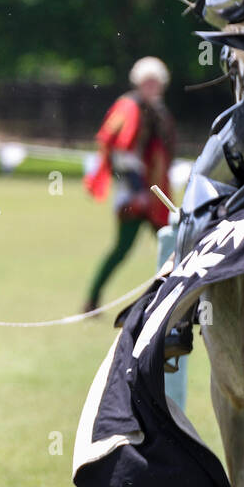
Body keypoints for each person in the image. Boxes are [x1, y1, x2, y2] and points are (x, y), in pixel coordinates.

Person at [82, 56, 176, 312]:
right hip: (133, 195)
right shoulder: (130, 107)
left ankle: (173, 304)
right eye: (147, 82)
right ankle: (91, 300)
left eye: (155, 82)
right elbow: (120, 153)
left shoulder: (159, 111)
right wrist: (137, 191)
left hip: (157, 196)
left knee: (174, 247)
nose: (151, 87)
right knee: (121, 250)